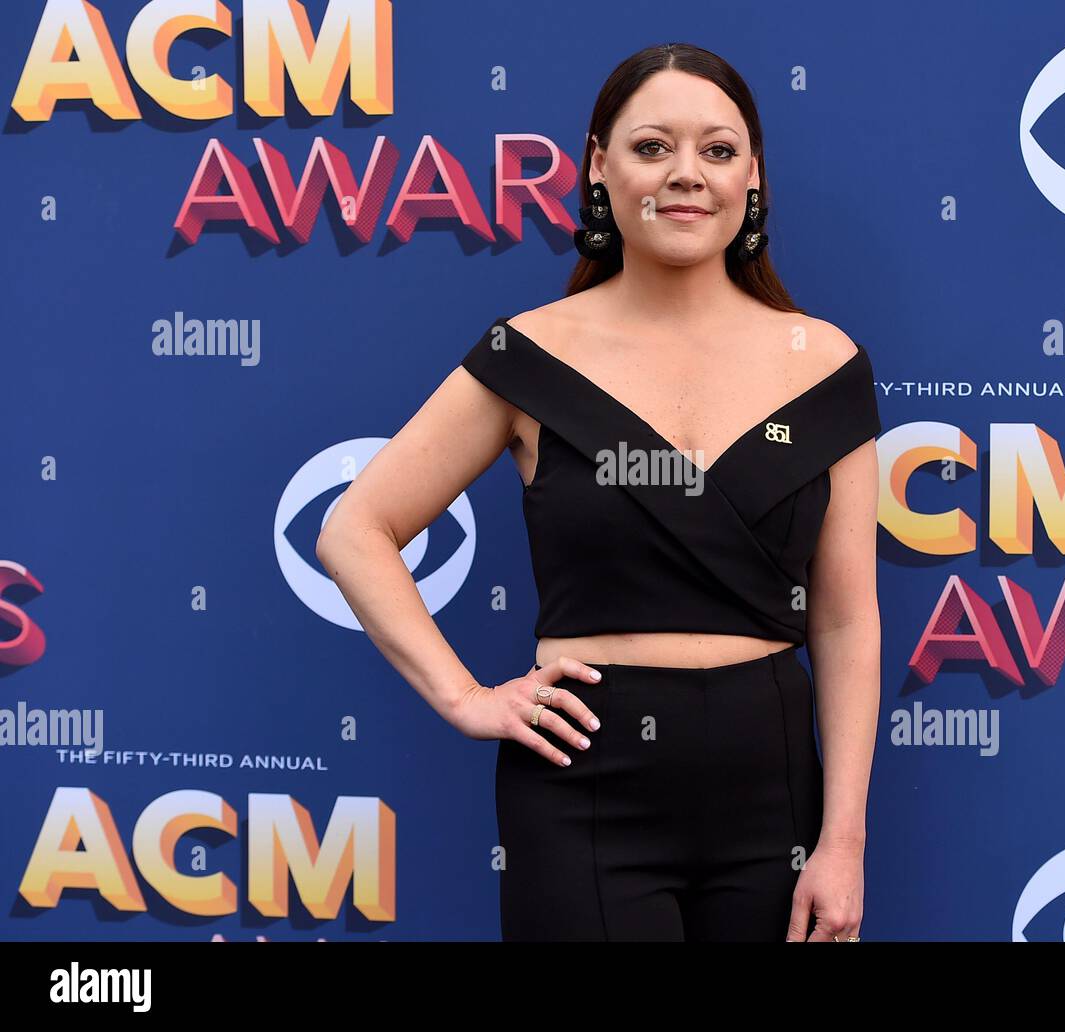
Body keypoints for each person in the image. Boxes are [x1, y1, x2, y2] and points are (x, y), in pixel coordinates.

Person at [316, 42, 883, 942]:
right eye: (653, 148)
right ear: (599, 168)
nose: (687, 176)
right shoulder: (528, 358)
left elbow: (846, 619)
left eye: (719, 151)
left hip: (773, 791)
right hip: (584, 785)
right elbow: (355, 529)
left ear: (754, 176)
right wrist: (466, 698)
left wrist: (843, 838)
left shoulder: (828, 365)